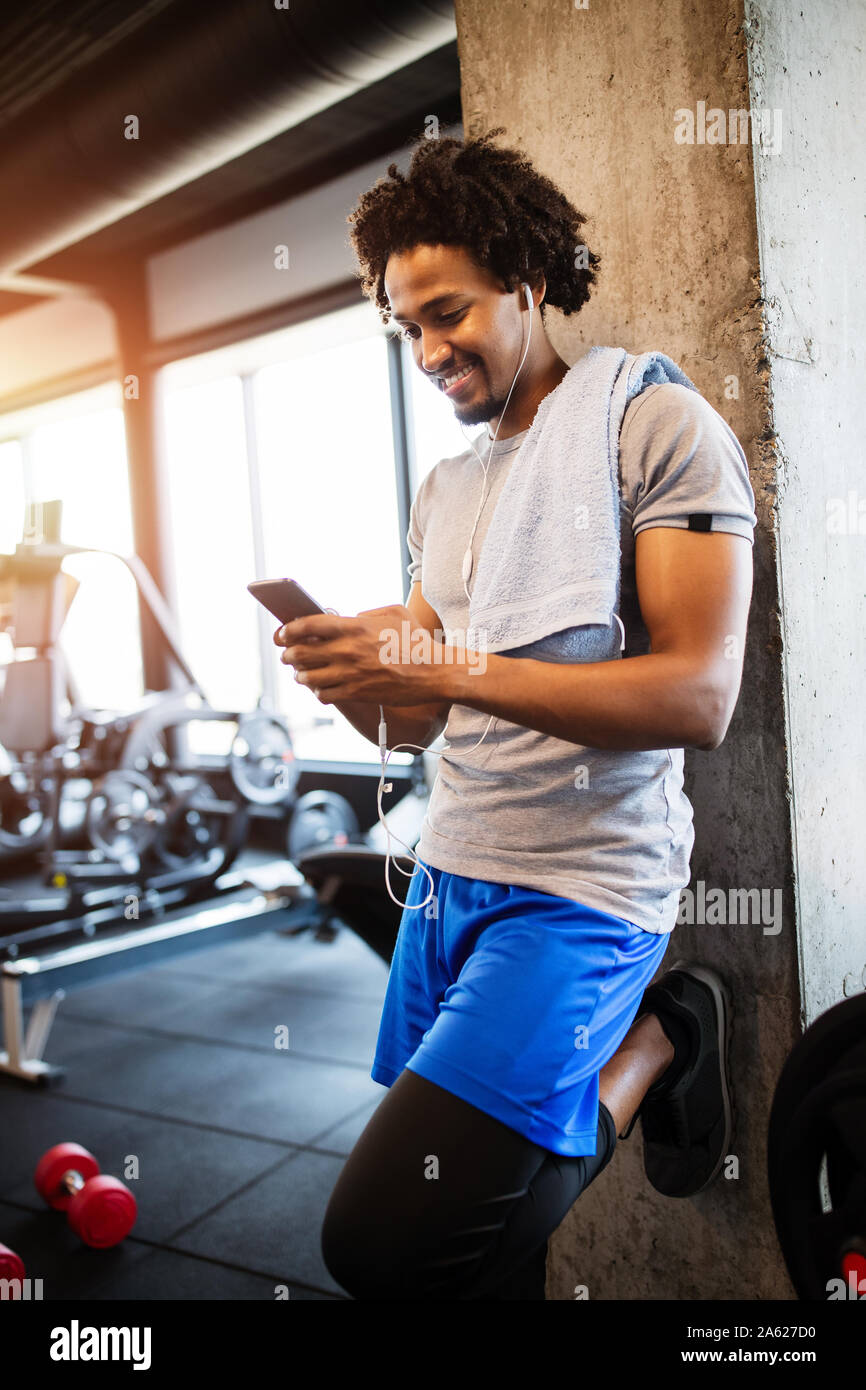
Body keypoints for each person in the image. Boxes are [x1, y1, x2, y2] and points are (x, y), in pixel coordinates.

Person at [274, 128, 756, 1300]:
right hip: (451, 876)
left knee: (384, 1243)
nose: (429, 350)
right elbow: (423, 729)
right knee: (484, 1244)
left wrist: (442, 663)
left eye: (448, 312)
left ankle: (665, 1036)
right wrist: (359, 686)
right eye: (407, 329)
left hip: (580, 895)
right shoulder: (443, 490)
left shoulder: (651, 425)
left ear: (526, 281)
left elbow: (697, 696)